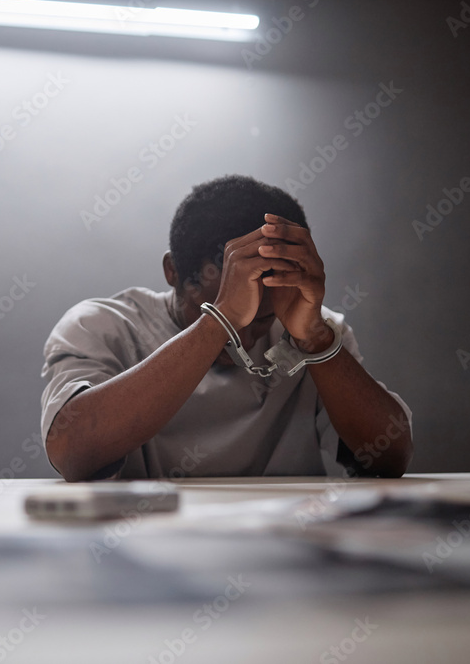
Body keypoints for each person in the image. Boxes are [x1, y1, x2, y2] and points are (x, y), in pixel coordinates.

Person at [39, 174, 412, 482]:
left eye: (260, 320)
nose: (243, 343)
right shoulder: (102, 326)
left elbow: (390, 459)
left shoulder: (314, 331)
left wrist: (315, 339)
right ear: (172, 272)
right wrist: (219, 321)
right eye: (222, 311)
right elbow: (73, 453)